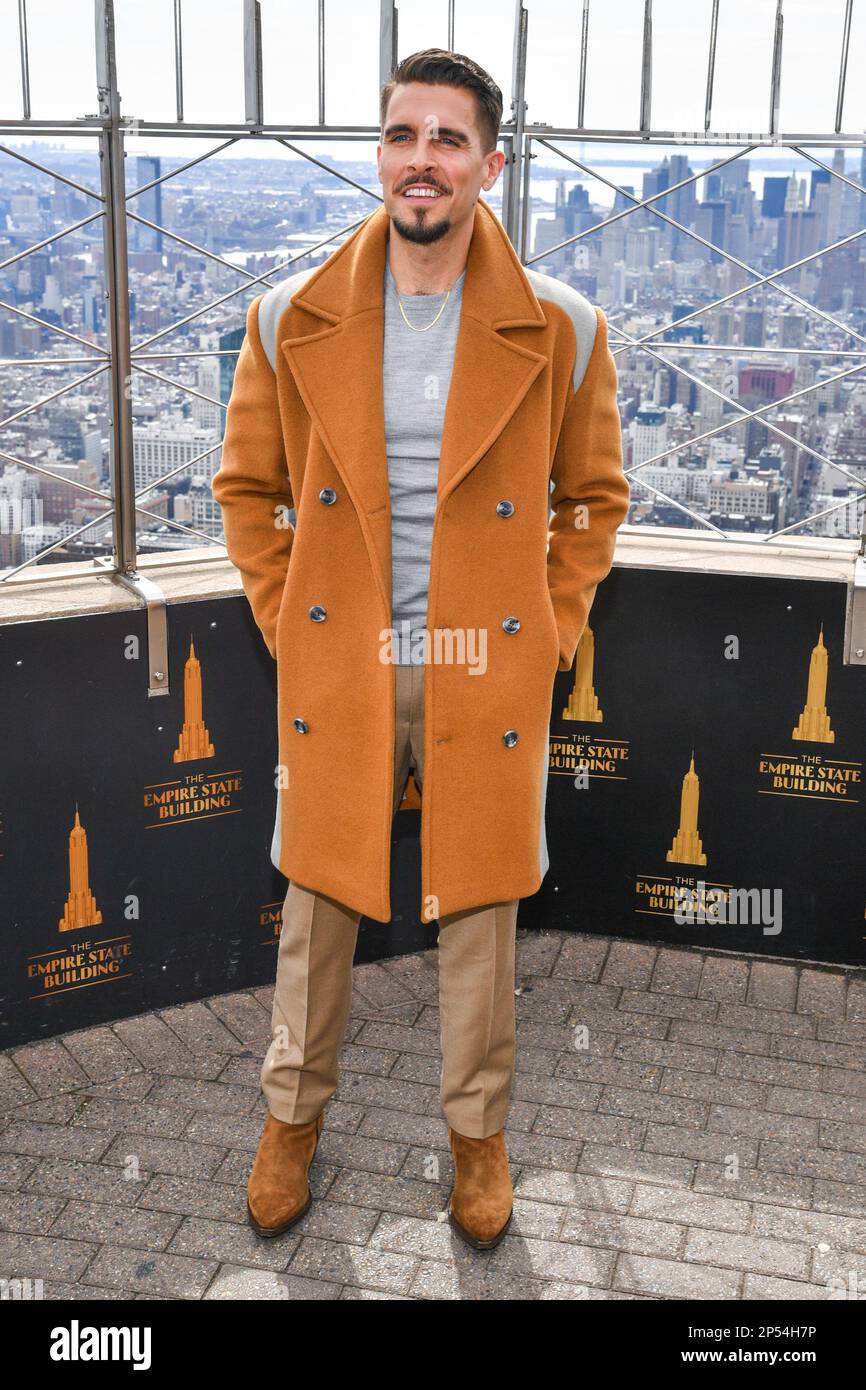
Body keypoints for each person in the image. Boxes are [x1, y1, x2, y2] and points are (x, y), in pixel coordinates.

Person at [212, 47, 630, 1250]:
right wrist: (291, 614)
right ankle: (290, 1118)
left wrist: (545, 626)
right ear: (379, 154)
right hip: (345, 655)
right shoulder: (287, 316)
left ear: (489, 166)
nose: (423, 159)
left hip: (481, 659)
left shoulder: (563, 329)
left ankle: (476, 1138)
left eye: (449, 139)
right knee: (316, 903)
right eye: (404, 134)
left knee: (480, 913)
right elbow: (247, 488)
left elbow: (592, 499)